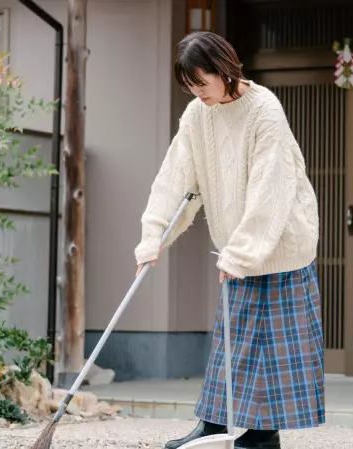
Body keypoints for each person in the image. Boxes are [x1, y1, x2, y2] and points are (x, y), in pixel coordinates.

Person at [133, 31, 325, 449]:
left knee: (275, 345)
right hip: (239, 246)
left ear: (223, 69)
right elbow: (175, 178)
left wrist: (241, 253)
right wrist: (153, 237)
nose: (196, 92)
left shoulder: (264, 111)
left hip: (280, 245)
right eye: (189, 86)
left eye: (201, 83)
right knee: (233, 338)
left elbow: (269, 189)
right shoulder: (197, 116)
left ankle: (262, 433)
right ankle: (214, 424)